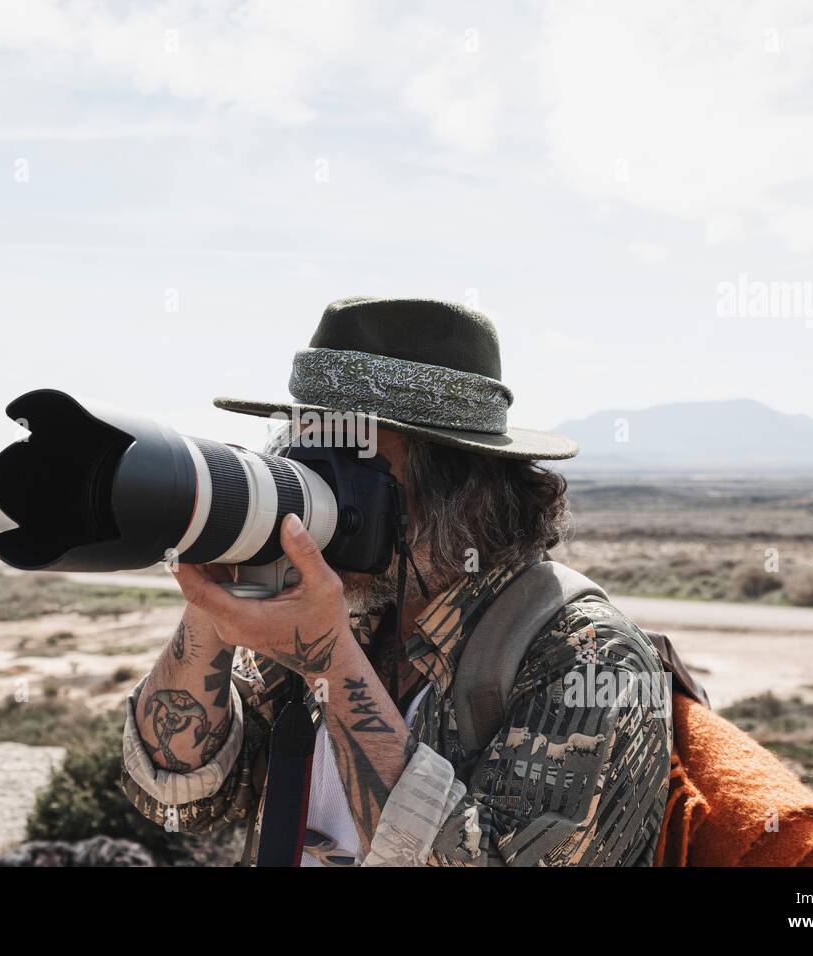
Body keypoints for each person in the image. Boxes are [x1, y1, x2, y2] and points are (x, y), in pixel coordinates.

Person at [120, 296, 671, 866]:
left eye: (353, 474)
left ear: (469, 493)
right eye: (309, 465)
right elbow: (177, 801)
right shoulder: (346, 613)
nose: (320, 501)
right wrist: (215, 601)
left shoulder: (584, 656)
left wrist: (332, 664)